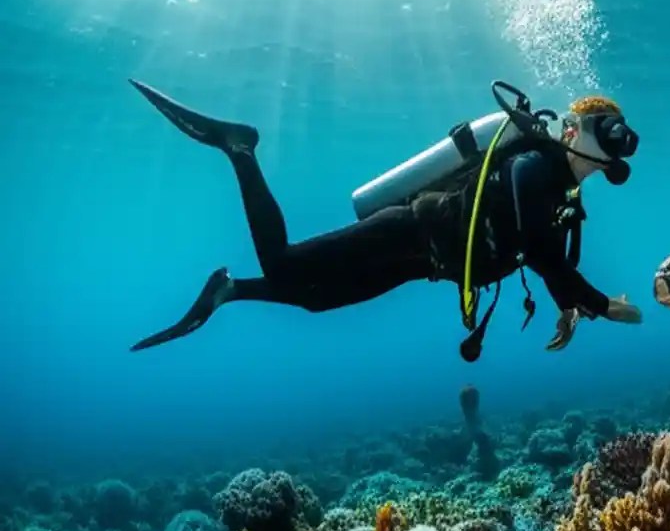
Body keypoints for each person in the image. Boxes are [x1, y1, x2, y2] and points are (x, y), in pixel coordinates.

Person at [125, 78, 643, 360]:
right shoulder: (533, 166)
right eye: (606, 130)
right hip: (407, 229)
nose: (614, 143)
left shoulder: (564, 197)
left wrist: (569, 307)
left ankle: (230, 290)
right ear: (571, 131)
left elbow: (549, 254)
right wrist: (599, 305)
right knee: (283, 264)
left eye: (617, 136)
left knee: (316, 299)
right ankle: (240, 148)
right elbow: (542, 249)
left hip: (421, 263)